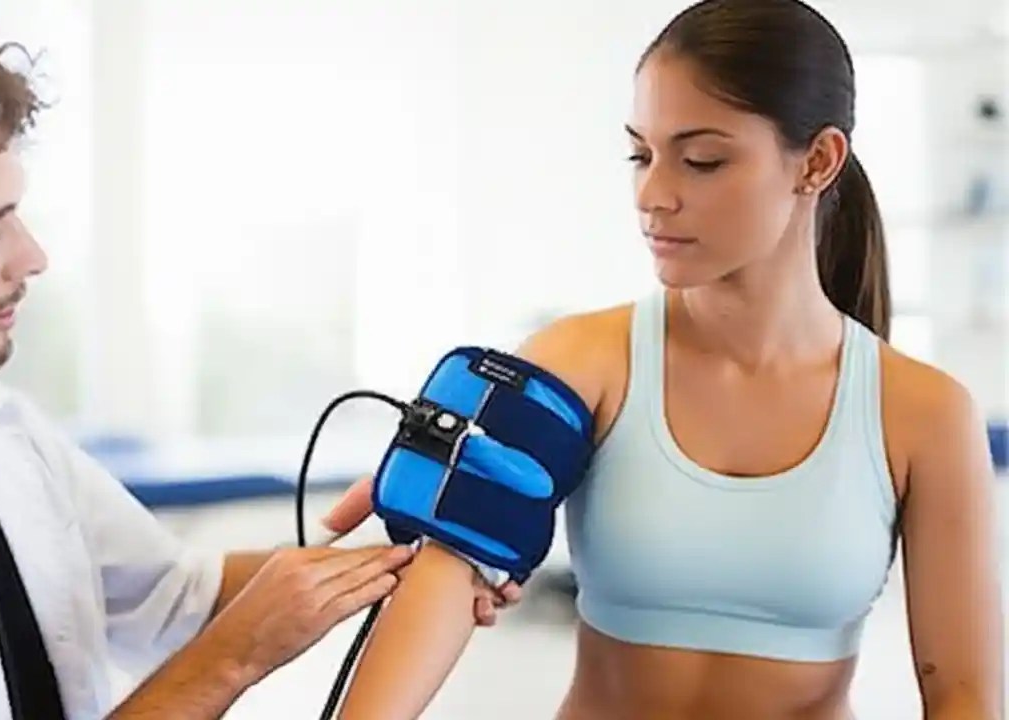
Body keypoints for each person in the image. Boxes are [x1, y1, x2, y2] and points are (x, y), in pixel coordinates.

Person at [0, 4, 517, 719]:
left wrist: (414, 555)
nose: (30, 257)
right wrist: (234, 659)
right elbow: (222, 637)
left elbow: (174, 598)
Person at [320, 0, 1005, 717]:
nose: (652, 195)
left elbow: (962, 694)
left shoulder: (922, 414)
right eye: (640, 154)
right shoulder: (583, 363)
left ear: (819, 162)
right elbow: (451, 563)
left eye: (702, 160)